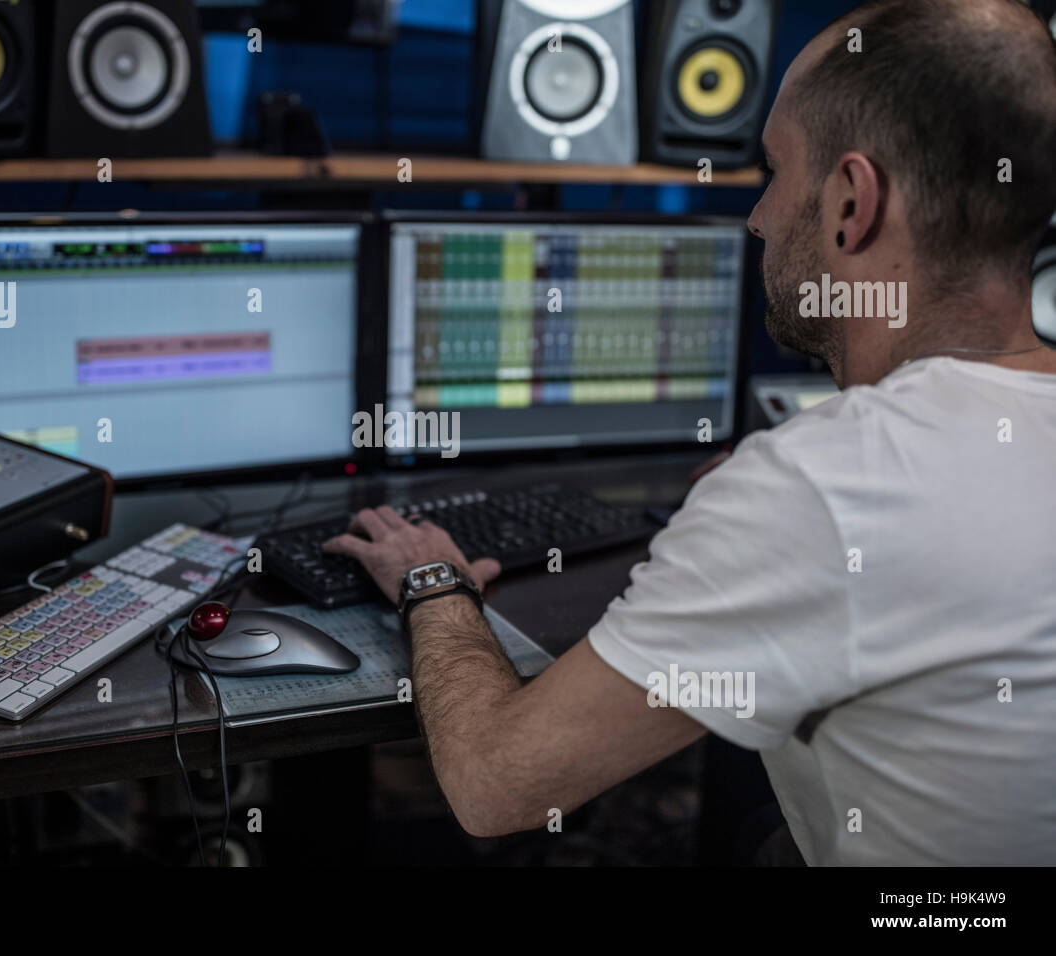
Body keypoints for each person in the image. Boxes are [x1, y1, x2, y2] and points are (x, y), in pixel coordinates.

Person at [323, 0, 1056, 865]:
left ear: (852, 202)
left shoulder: (824, 486)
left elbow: (494, 787)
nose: (758, 217)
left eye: (776, 172)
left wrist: (433, 580)